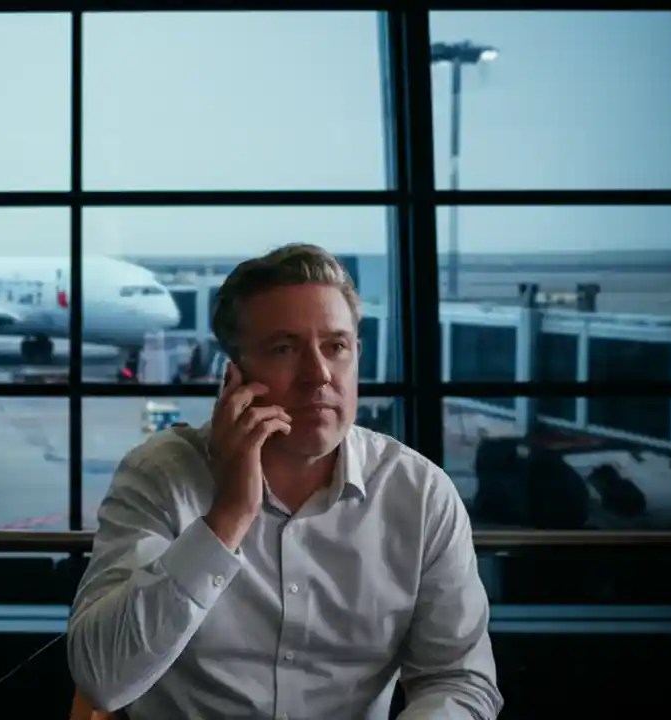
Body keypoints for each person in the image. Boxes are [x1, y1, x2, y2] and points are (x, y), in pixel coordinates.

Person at [67, 244, 501, 719]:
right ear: (233, 375)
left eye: (335, 347)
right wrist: (226, 519)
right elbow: (102, 680)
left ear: (356, 354)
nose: (318, 376)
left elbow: (459, 679)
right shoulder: (161, 477)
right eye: (284, 349)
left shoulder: (419, 494)